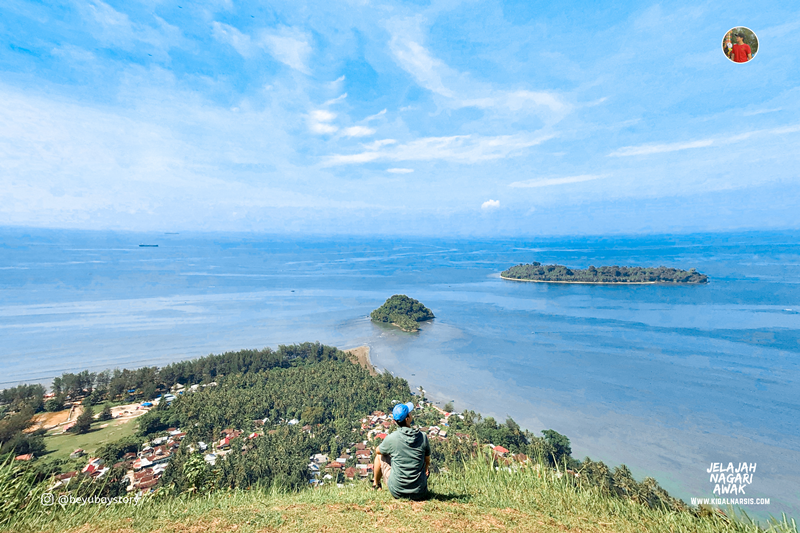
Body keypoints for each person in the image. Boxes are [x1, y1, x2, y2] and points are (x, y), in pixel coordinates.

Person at [372, 401, 431, 499]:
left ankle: (376, 484)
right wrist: (425, 470)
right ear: (408, 419)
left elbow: (378, 450)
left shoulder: (392, 438)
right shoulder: (422, 437)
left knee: (380, 456)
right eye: (410, 413)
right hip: (420, 491)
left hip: (397, 491)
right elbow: (427, 460)